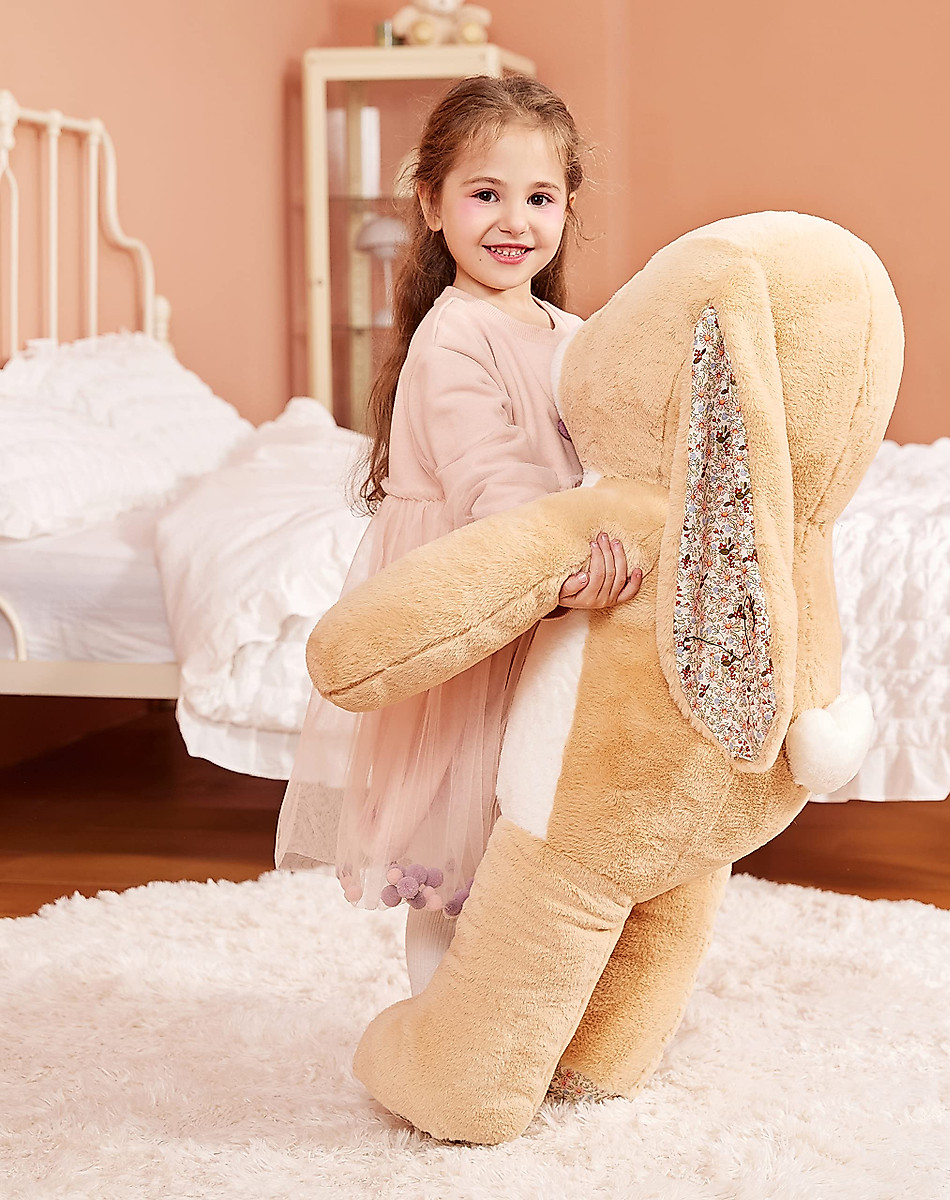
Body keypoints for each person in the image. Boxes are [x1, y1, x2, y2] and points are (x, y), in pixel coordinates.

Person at [274, 74, 641, 996]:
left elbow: (611, 446)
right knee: (457, 848)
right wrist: (564, 568)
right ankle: (435, 1023)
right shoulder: (453, 337)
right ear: (432, 203)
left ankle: (522, 1016)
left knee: (534, 836)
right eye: (486, 194)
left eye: (540, 197)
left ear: (568, 208)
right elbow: (494, 480)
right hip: (482, 604)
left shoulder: (572, 332)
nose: (514, 220)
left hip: (547, 597)